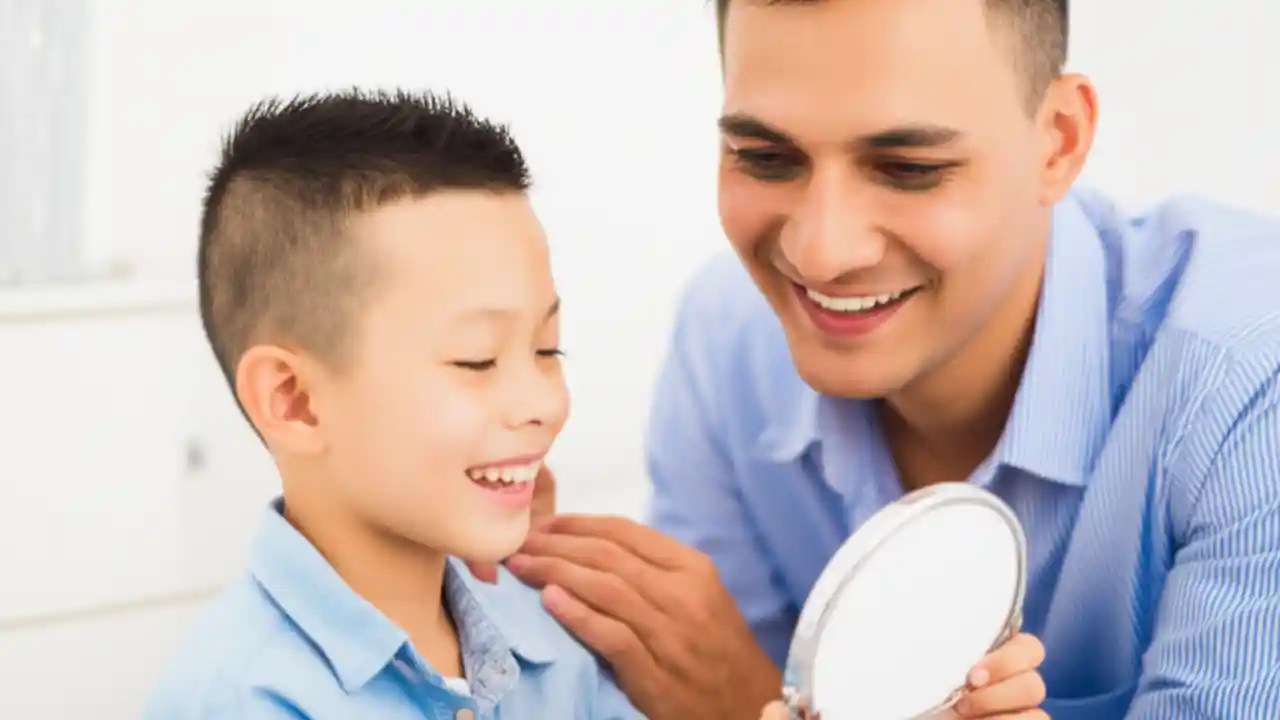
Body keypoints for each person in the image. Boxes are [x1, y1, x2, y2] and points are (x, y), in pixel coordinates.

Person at [501, 0, 1280, 718]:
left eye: (910, 169)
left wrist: (744, 700)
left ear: (1059, 141)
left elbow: (730, 698)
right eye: (766, 157)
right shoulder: (728, 339)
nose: (821, 252)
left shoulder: (1249, 374)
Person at [144, 89, 640, 719]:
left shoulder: (543, 636)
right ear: (294, 401)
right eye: (477, 359)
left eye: (547, 350)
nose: (542, 401)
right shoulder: (240, 699)